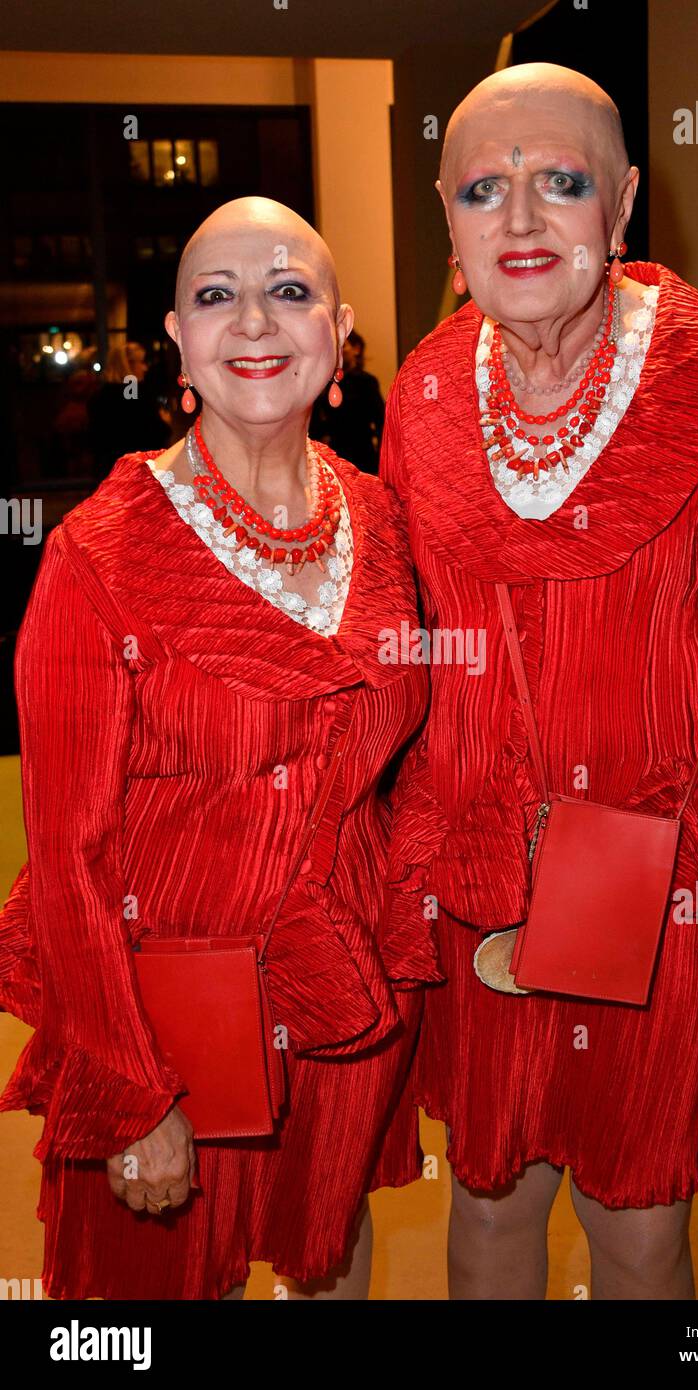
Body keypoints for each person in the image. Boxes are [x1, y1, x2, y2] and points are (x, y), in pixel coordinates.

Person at [379, 64, 698, 1301]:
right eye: (485, 188)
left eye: (563, 181)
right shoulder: (425, 395)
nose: (524, 219)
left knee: (636, 1216)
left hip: (649, 877)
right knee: (488, 1197)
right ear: (448, 217)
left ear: (624, 201)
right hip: (479, 879)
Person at [0, 197, 438, 1300]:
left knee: (326, 1261)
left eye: (289, 291)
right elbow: (67, 859)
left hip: (336, 1001)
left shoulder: (385, 522)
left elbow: (406, 766)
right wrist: (130, 1089)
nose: (255, 321)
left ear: (338, 335)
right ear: (180, 344)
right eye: (217, 296)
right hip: (164, 1022)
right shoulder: (96, 555)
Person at [88, 340, 172, 481]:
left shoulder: (100, 395)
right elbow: (150, 433)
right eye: (141, 362)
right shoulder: (133, 391)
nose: (145, 368)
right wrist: (164, 421)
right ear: (129, 364)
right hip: (134, 473)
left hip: (108, 473)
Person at [311, 330, 385, 474]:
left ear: (356, 349)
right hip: (332, 457)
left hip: (362, 456)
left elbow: (380, 422)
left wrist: (381, 460)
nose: (338, 352)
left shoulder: (367, 382)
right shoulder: (324, 382)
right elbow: (315, 425)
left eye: (343, 346)